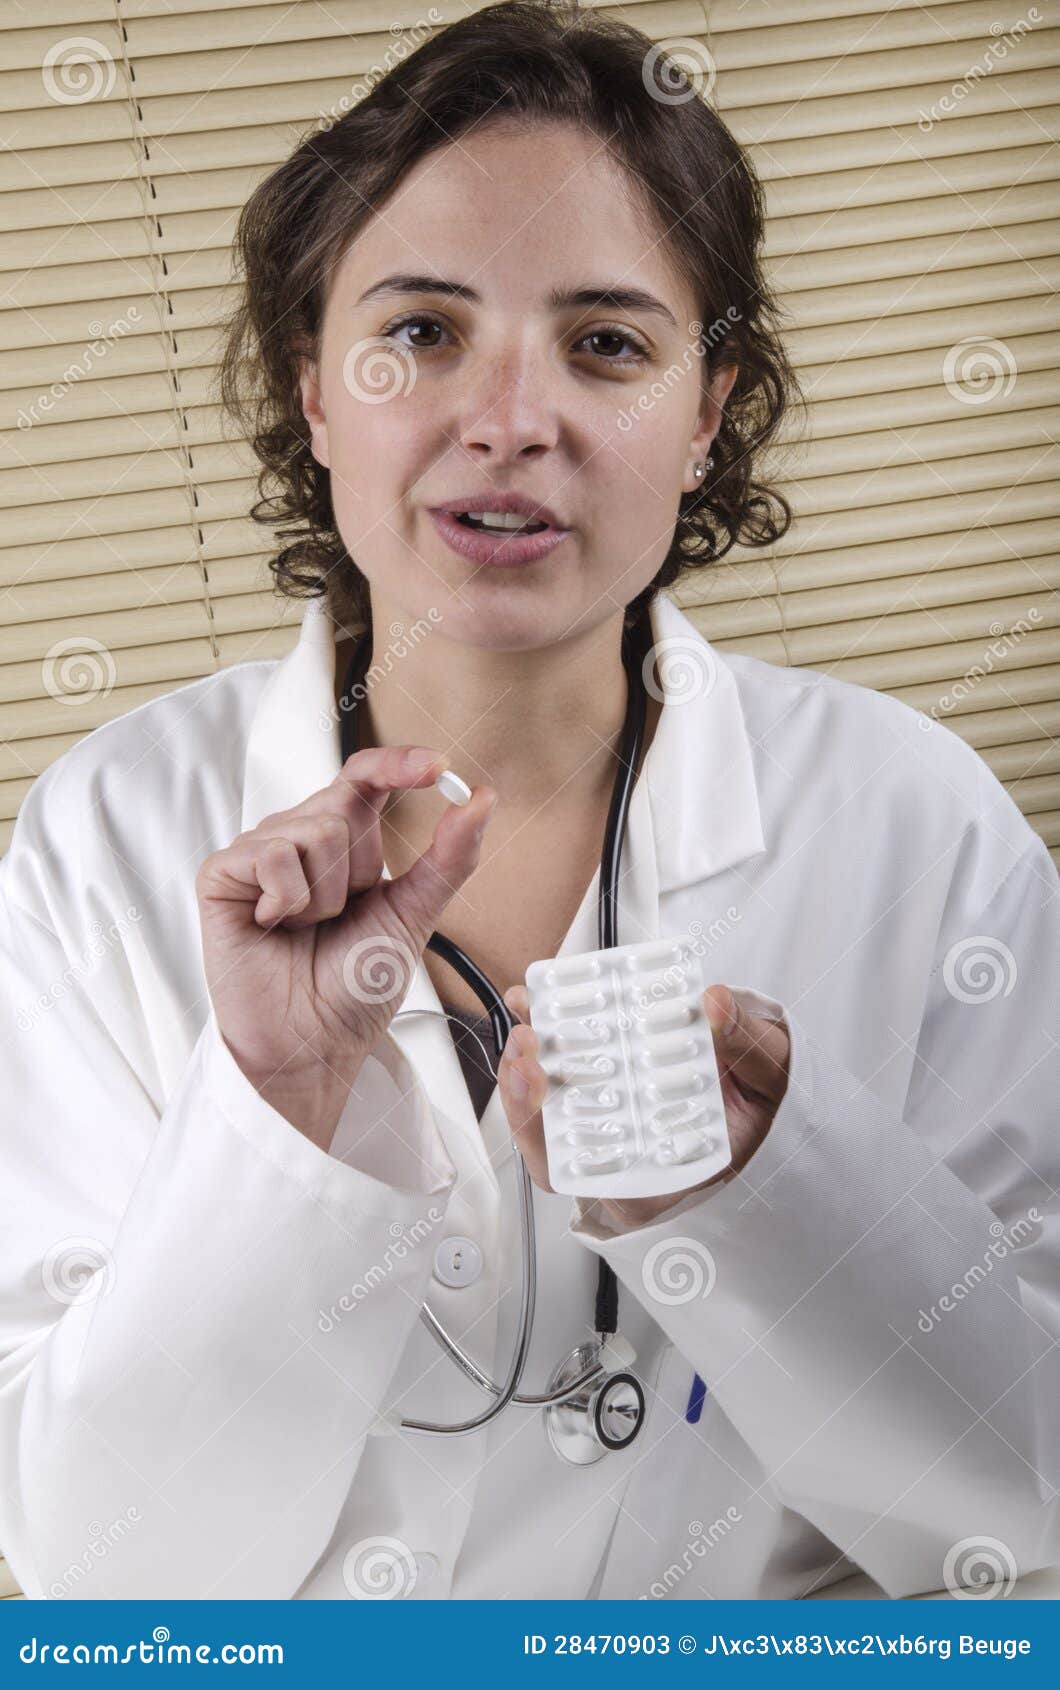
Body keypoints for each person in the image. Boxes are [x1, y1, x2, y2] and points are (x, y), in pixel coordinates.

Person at [1, 0, 1057, 1603]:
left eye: (610, 344)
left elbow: (1028, 1521)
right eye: (421, 332)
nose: (511, 419)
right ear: (313, 392)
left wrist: (792, 1188)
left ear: (707, 418)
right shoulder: (107, 836)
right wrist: (274, 1120)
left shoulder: (912, 817)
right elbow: (94, 1580)